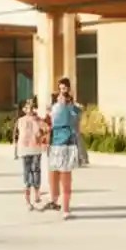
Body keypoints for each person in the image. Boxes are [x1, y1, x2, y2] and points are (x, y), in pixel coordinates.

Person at [46, 78, 81, 220]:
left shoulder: (71, 105)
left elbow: (77, 116)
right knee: (53, 172)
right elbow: (49, 120)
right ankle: (54, 200)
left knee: (65, 174)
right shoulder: (54, 103)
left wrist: (70, 106)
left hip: (67, 141)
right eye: (60, 89)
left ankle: (65, 208)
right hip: (55, 141)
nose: (62, 91)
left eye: (64, 89)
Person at [15, 98, 48, 211]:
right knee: (27, 172)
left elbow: (47, 129)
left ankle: (37, 195)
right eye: (27, 107)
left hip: (36, 149)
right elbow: (17, 136)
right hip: (24, 149)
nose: (30, 109)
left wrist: (42, 136)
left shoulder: (38, 120)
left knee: (36, 171)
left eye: (32, 107)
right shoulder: (20, 120)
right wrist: (16, 151)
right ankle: (28, 199)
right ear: (24, 109)